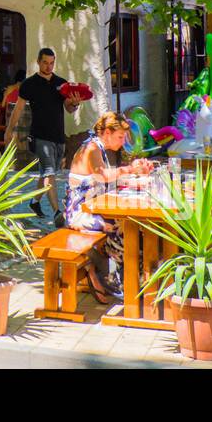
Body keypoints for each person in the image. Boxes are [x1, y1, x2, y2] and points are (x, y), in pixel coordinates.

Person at [63, 112, 153, 300]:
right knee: (122, 226)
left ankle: (129, 277)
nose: (122, 142)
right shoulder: (92, 148)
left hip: (94, 208)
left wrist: (134, 175)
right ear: (106, 133)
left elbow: (107, 182)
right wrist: (129, 170)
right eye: (120, 137)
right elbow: (102, 176)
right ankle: (114, 277)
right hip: (80, 213)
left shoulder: (99, 148)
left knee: (133, 224)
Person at [4, 48, 82, 221]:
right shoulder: (29, 84)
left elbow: (69, 109)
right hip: (39, 136)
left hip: (58, 136)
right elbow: (18, 108)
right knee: (49, 172)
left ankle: (35, 201)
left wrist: (75, 104)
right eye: (45, 62)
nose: (48, 66)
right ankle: (57, 213)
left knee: (49, 172)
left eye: (51, 62)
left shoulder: (62, 84)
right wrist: (9, 130)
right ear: (38, 62)